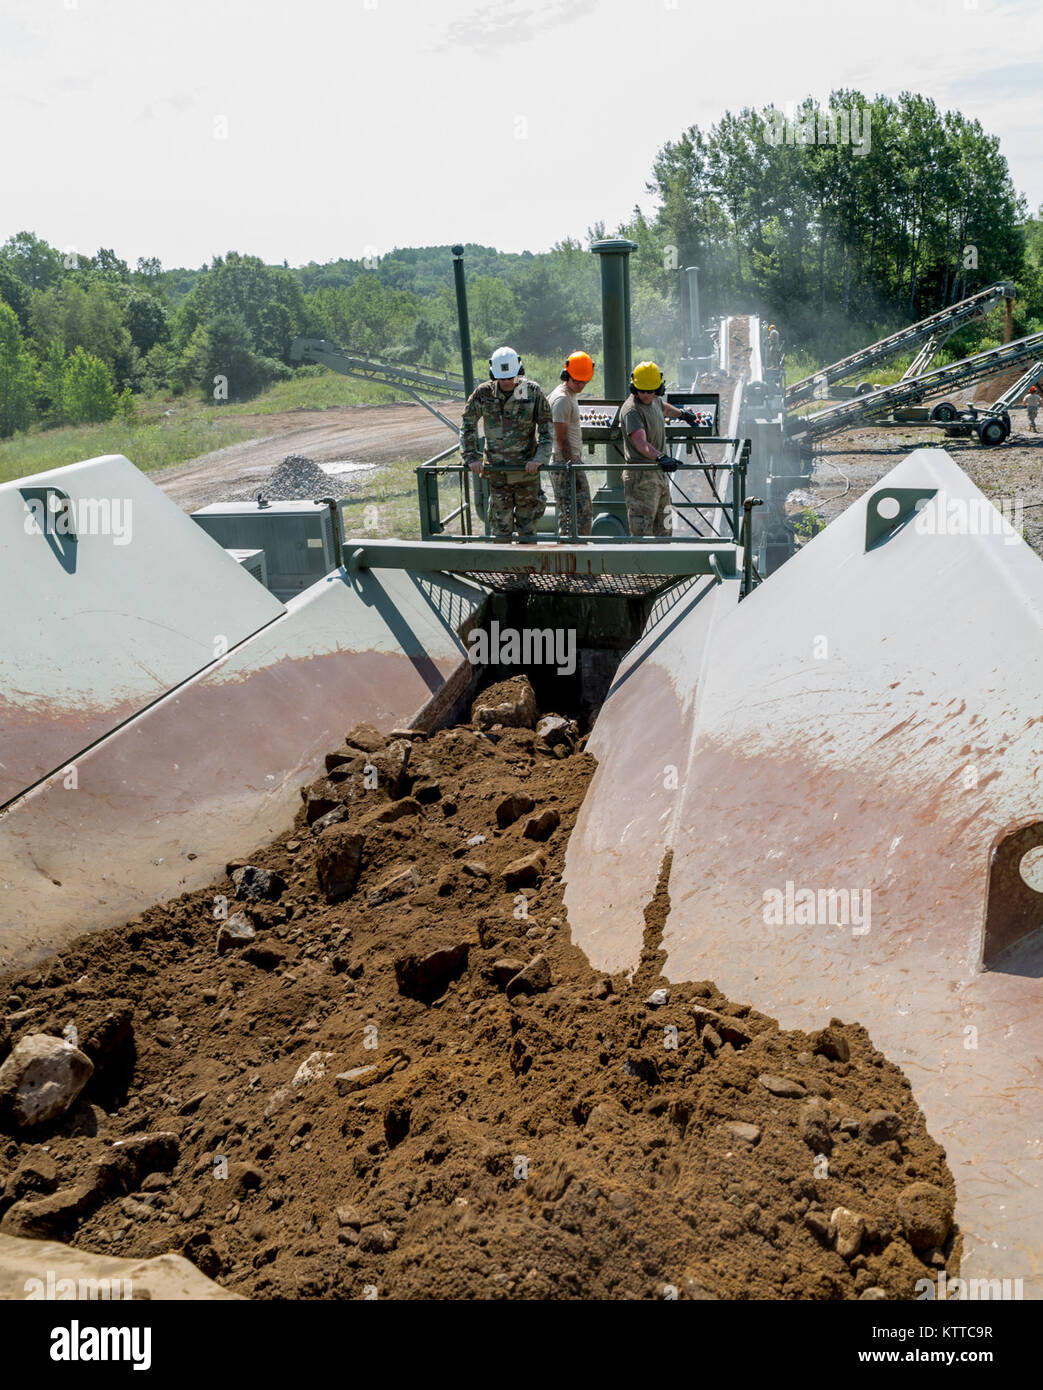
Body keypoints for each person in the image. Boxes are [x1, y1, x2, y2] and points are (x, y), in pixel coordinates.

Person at [460, 346, 552, 539]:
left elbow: (546, 427)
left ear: (519, 371)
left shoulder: (532, 392)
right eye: (502, 379)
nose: (507, 382)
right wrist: (471, 457)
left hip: (527, 474)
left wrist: (539, 458)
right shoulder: (483, 394)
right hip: (497, 475)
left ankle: (527, 569)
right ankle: (503, 569)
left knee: (527, 532)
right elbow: (467, 424)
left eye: (511, 378)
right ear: (493, 374)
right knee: (500, 533)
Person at [618, 360, 694, 537]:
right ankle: (642, 566)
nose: (645, 395)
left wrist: (682, 414)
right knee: (642, 534)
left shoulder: (654, 401)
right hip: (641, 477)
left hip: (658, 476)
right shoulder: (632, 410)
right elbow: (640, 443)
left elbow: (663, 408)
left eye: (650, 391)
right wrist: (661, 457)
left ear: (657, 389)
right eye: (641, 391)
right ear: (633, 387)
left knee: (665, 529)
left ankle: (663, 563)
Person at [547, 350, 595, 537]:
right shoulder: (562, 400)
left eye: (585, 382)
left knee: (583, 512)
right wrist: (572, 465)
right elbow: (561, 439)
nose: (581, 385)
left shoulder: (570, 394)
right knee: (571, 515)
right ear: (567, 376)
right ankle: (570, 557)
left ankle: (579, 553)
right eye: (577, 381)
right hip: (565, 464)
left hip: (570, 462)